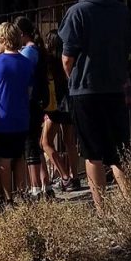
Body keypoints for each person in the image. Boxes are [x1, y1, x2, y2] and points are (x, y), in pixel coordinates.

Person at [58, 0, 131, 211]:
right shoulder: (122, 11)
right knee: (119, 152)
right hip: (115, 87)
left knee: (92, 152)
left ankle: (102, 209)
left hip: (86, 90)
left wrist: (72, 78)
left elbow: (67, 57)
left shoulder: (77, 11)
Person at [0, 22, 34, 210]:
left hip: (2, 117)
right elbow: (29, 91)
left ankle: (7, 199)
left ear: (4, 40)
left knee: (4, 161)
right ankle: (22, 194)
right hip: (22, 117)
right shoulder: (27, 63)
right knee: (19, 157)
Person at [14, 16, 53, 200]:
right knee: (36, 145)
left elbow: (21, 75)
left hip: (29, 102)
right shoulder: (37, 49)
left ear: (21, 34)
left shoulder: (28, 52)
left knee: (30, 145)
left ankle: (35, 188)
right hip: (38, 100)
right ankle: (47, 185)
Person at [41, 30, 82, 192]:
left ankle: (65, 177)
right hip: (70, 101)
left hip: (56, 104)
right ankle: (75, 176)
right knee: (70, 141)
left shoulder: (49, 61)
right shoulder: (69, 58)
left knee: (45, 142)